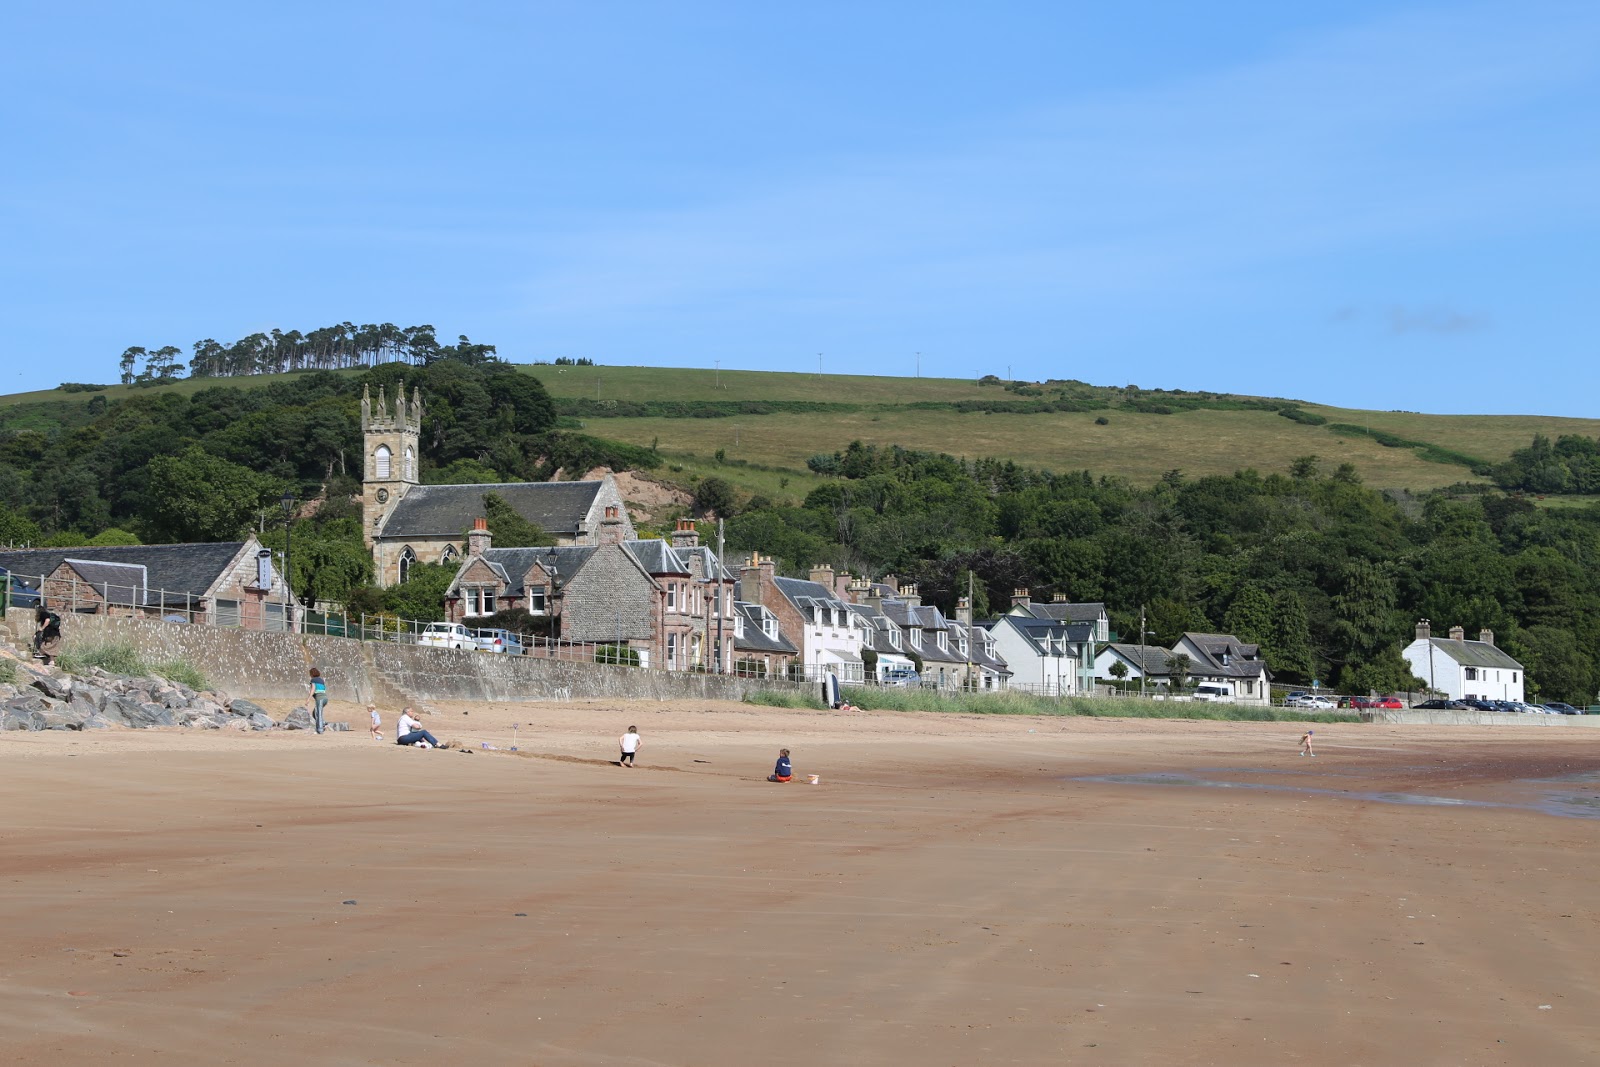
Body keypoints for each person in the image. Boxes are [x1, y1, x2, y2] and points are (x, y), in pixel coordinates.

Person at [307, 668, 328, 735]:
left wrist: (308, 698)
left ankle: (320, 730)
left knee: (318, 714)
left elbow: (313, 689)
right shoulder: (321, 680)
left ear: (312, 674)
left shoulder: (313, 680)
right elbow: (323, 689)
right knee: (314, 713)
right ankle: (323, 724)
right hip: (325, 699)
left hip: (320, 699)